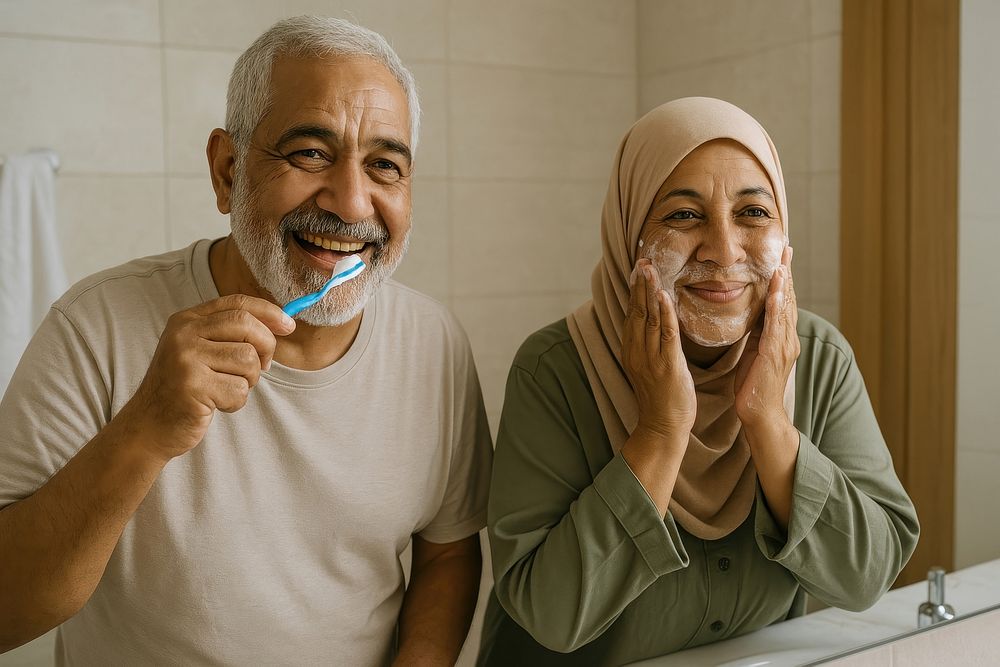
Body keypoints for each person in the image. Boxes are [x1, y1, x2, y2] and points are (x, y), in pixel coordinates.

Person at [0, 16, 492, 666]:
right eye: (311, 152)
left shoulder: (435, 345)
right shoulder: (97, 326)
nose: (350, 203)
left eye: (384, 165)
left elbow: (450, 550)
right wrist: (147, 428)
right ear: (227, 170)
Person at [477, 97, 919, 666]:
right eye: (683, 215)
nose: (725, 250)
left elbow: (870, 577)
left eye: (753, 213)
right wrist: (661, 431)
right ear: (628, 232)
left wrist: (769, 423)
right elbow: (551, 615)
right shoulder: (556, 369)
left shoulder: (820, 357)